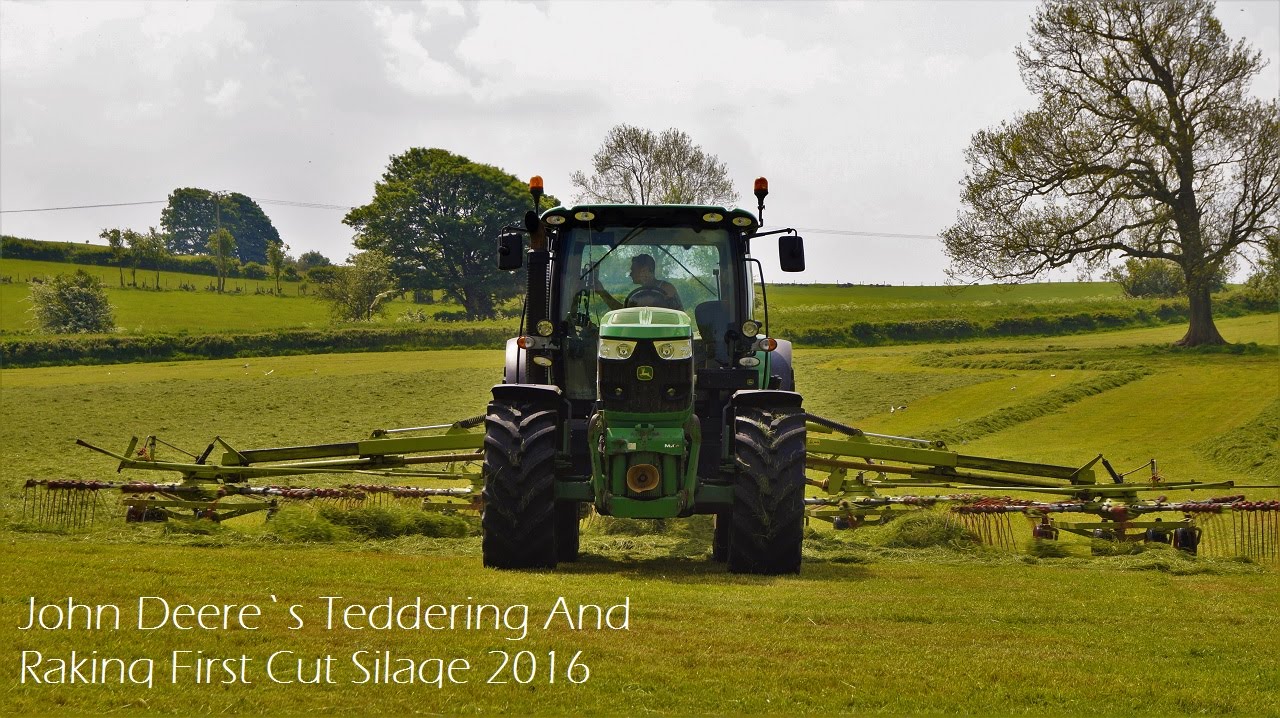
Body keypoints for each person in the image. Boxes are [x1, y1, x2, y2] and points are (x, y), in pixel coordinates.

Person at [594, 253, 683, 310]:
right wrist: (603, 292)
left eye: (633, 270)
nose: (630, 274)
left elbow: (678, 317)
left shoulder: (666, 289)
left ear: (644, 270)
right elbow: (624, 312)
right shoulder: (639, 293)